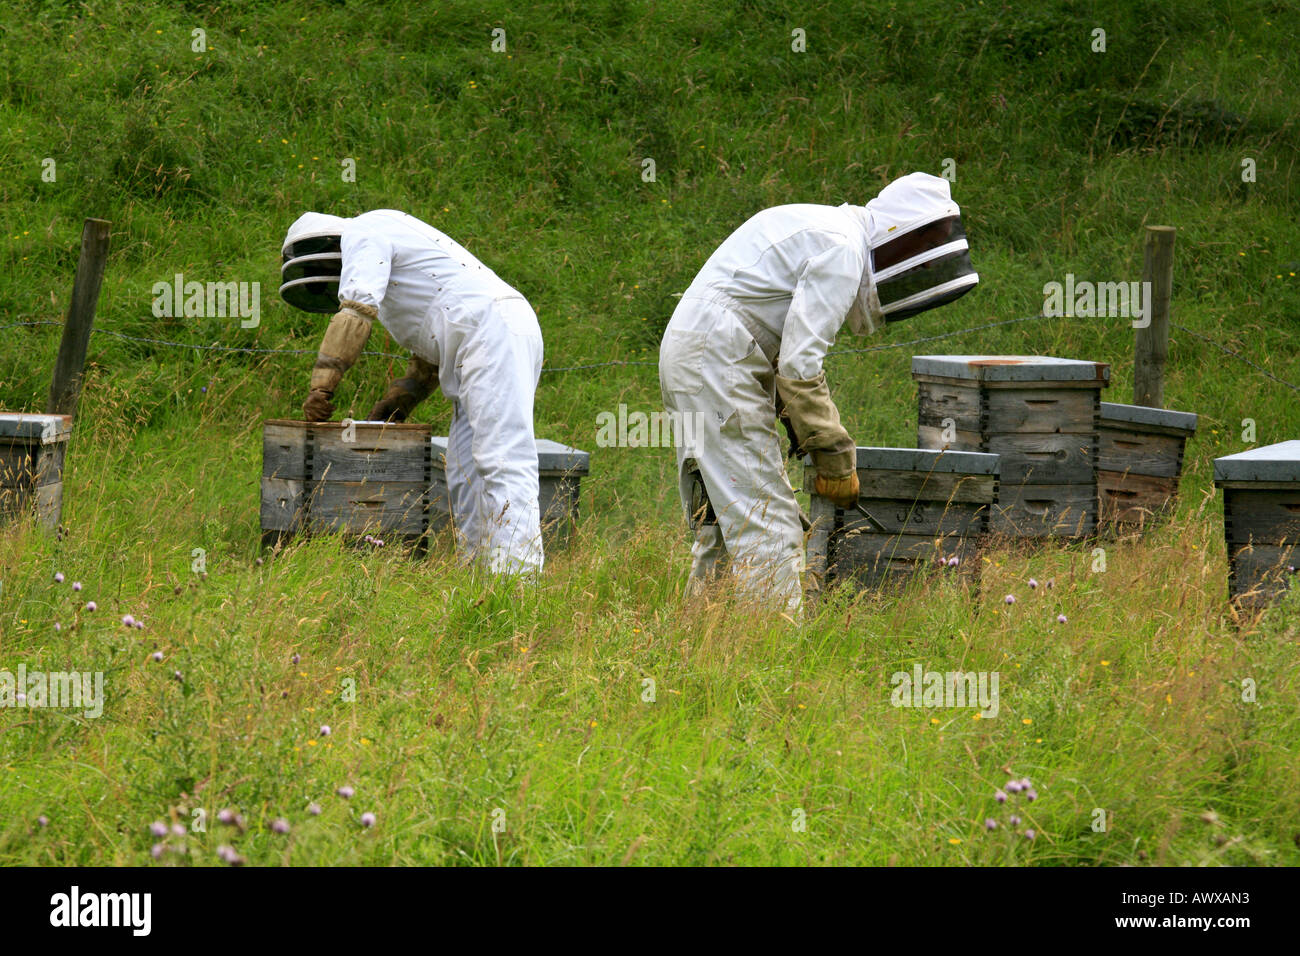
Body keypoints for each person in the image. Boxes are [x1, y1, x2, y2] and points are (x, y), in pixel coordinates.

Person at [658, 173, 979, 610]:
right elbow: (798, 367)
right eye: (923, 252)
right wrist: (835, 454)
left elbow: (776, 350)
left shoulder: (825, 228)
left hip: (700, 353)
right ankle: (770, 651)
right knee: (768, 526)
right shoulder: (842, 249)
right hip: (718, 359)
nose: (923, 267)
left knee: (719, 517)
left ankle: (703, 638)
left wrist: (802, 430)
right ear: (900, 232)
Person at [279, 209, 545, 575]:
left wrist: (322, 387)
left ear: (325, 247)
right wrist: (394, 407)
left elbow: (355, 312)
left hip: (493, 330)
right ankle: (481, 581)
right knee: (465, 471)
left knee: (502, 460)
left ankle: (519, 583)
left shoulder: (363, 231)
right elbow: (430, 354)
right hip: (481, 338)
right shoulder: (394, 255)